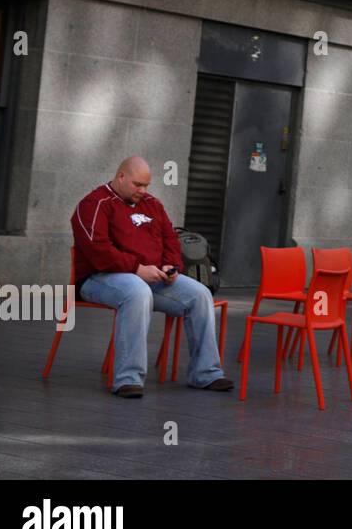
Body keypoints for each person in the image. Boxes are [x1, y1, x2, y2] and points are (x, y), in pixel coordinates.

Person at [71, 156, 233, 397]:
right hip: (100, 278)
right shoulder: (94, 203)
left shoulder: (152, 204)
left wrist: (171, 266)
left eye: (146, 185)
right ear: (121, 176)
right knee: (137, 291)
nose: (142, 191)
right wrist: (137, 268)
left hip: (150, 278)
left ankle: (206, 373)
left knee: (200, 294)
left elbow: (170, 239)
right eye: (137, 184)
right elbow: (98, 251)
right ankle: (128, 379)